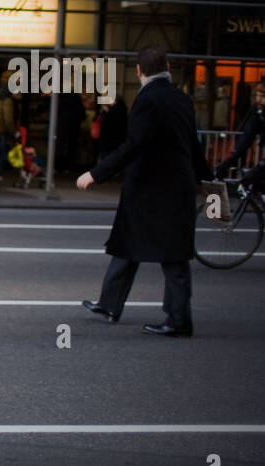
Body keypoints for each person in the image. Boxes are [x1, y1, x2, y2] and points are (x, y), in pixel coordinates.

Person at [78, 46, 211, 337]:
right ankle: (110, 304)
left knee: (144, 248)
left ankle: (177, 321)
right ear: (168, 67)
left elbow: (133, 145)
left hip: (151, 189)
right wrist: (210, 182)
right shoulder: (182, 99)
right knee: (156, 250)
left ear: (139, 71)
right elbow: (193, 146)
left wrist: (95, 173)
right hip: (177, 188)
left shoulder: (147, 100)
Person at [213, 81, 265, 191]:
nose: (258, 100)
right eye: (257, 95)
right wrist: (227, 164)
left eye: (263, 96)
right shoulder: (258, 112)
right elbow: (246, 140)